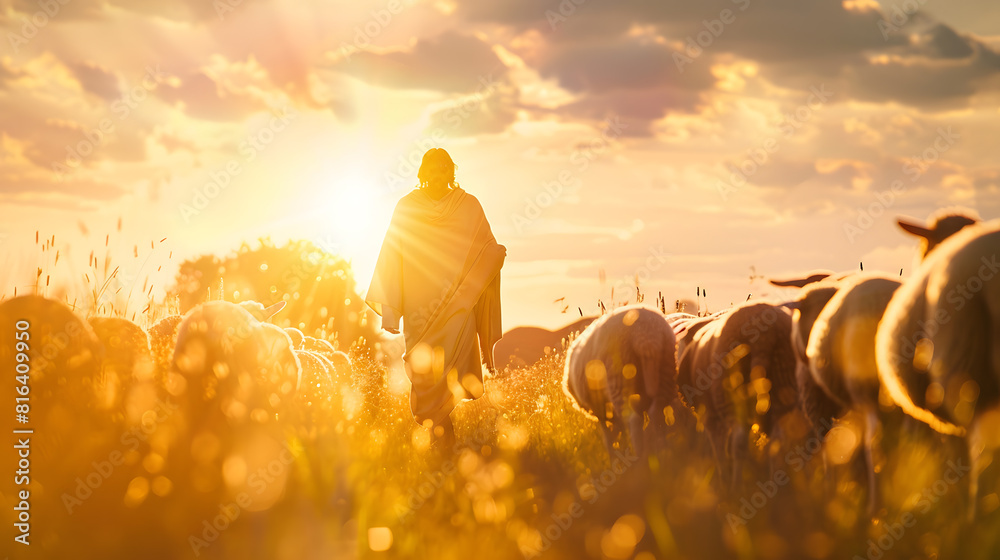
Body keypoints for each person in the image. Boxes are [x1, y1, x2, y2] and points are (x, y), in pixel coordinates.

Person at [366, 148, 506, 448]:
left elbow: (487, 246)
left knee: (453, 367)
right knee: (424, 372)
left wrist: (496, 254)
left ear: (451, 172)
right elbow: (392, 255)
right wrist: (391, 311)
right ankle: (441, 432)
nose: (436, 174)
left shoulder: (469, 206)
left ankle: (443, 434)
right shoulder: (407, 207)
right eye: (431, 168)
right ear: (421, 173)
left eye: (442, 168)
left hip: (458, 304)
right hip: (420, 308)